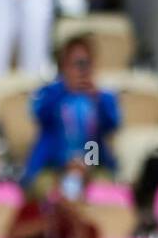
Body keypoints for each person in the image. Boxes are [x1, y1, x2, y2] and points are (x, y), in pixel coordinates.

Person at [23, 36, 121, 189]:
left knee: (104, 189)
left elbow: (111, 125)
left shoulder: (101, 97)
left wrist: (97, 99)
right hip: (53, 165)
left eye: (85, 63)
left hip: (91, 163)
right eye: (76, 64)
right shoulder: (50, 93)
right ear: (64, 66)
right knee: (45, 189)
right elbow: (39, 115)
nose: (81, 69)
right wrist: (65, 88)